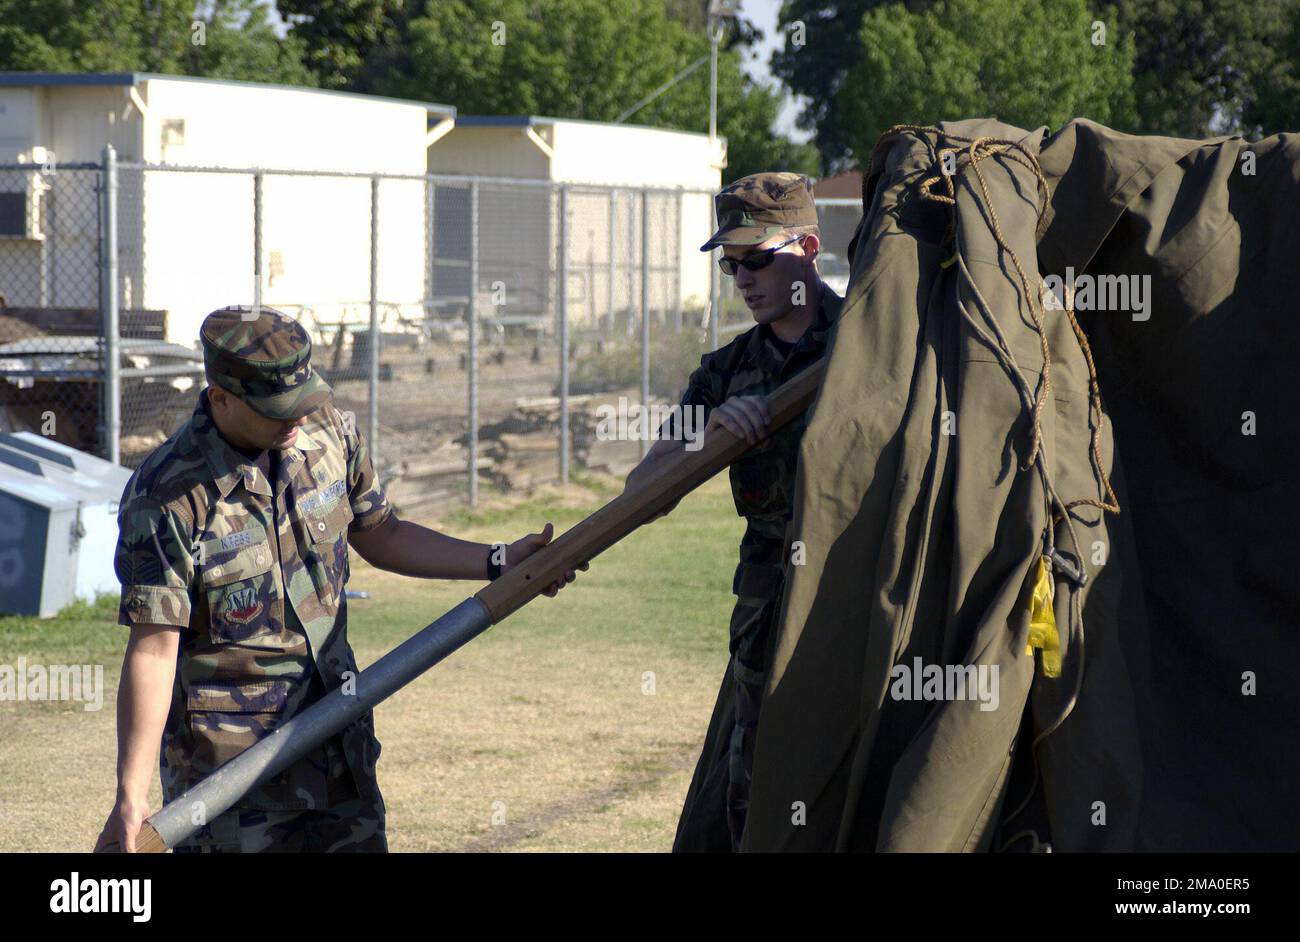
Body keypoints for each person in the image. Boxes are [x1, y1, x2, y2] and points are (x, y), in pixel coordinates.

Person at [94, 305, 580, 853]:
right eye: (278, 409)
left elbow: (384, 533)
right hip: (234, 785)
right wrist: (130, 794)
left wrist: (498, 560)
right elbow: (154, 650)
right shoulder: (167, 497)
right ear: (221, 399)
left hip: (340, 753)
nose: (297, 419)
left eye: (303, 399)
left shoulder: (329, 433)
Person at [624, 172, 842, 851]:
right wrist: (709, 436)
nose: (743, 279)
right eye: (731, 265)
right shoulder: (724, 372)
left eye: (757, 259)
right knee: (755, 778)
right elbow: (641, 494)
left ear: (807, 248)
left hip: (858, 587)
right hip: (768, 600)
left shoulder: (868, 339)